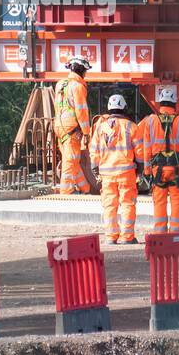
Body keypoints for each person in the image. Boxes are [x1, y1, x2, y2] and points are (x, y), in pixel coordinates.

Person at [135, 85, 179, 234]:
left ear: (160, 103)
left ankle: (160, 231)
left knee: (159, 200)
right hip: (177, 169)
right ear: (174, 103)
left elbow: (147, 148)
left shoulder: (150, 121)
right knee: (176, 200)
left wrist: (147, 172)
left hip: (157, 169)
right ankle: (175, 230)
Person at [90, 93, 140, 244]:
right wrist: (142, 169)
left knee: (109, 205)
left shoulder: (100, 127)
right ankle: (127, 237)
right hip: (126, 173)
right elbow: (140, 151)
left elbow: (94, 149)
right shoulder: (131, 126)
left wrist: (95, 167)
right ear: (124, 108)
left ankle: (111, 237)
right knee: (127, 203)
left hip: (106, 174)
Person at [53, 55, 93, 195]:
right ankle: (66, 191)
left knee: (73, 160)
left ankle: (85, 188)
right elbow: (81, 111)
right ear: (82, 70)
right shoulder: (78, 87)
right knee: (70, 162)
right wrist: (86, 132)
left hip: (59, 127)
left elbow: (58, 107)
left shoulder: (60, 84)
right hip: (71, 129)